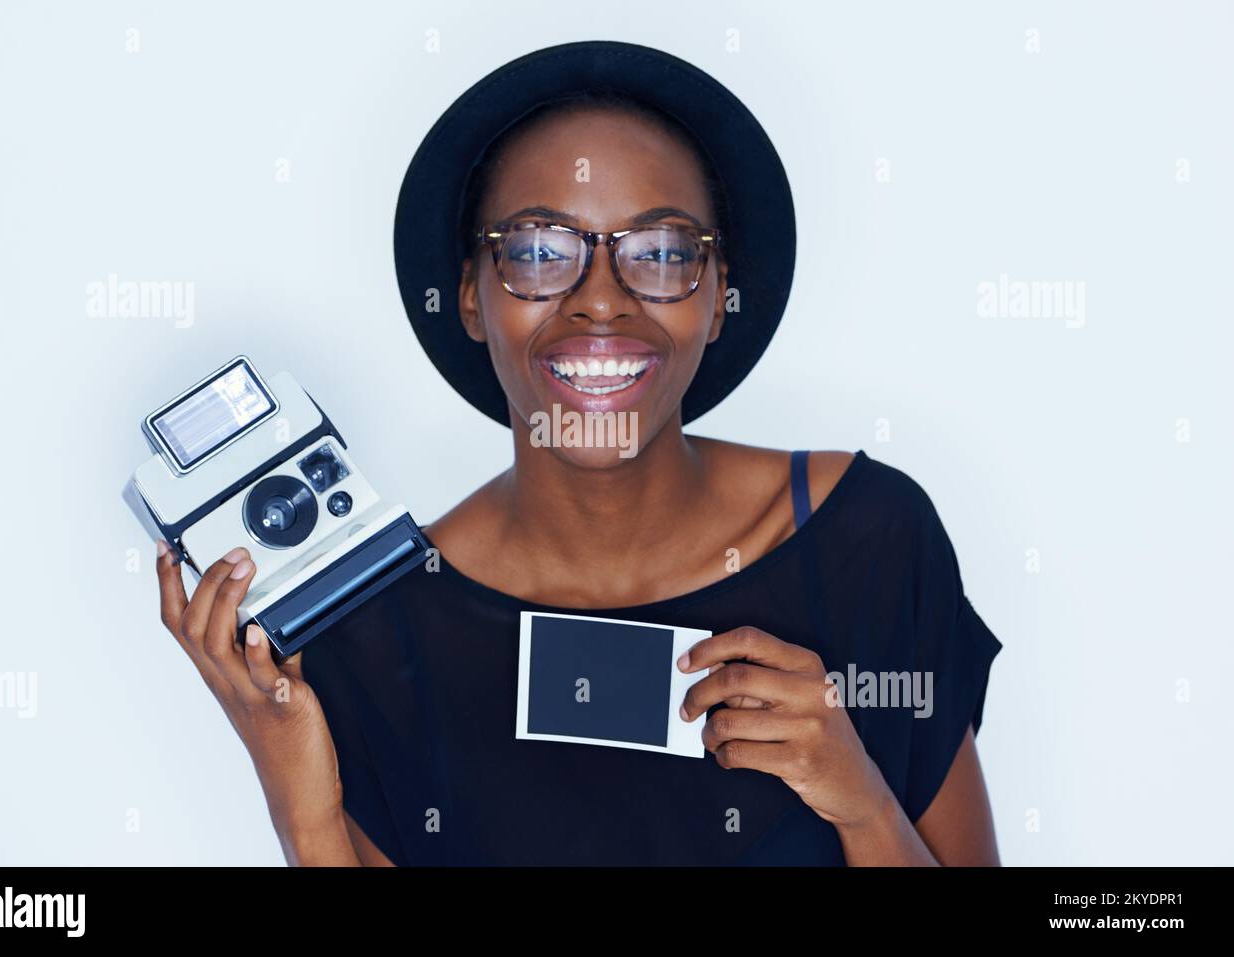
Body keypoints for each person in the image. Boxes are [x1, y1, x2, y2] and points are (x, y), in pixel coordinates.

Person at [153, 41, 1002, 866]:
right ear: (472, 300)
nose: (600, 301)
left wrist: (862, 799)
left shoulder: (867, 540)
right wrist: (300, 804)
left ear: (717, 299)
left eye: (663, 253)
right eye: (537, 253)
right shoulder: (382, 632)